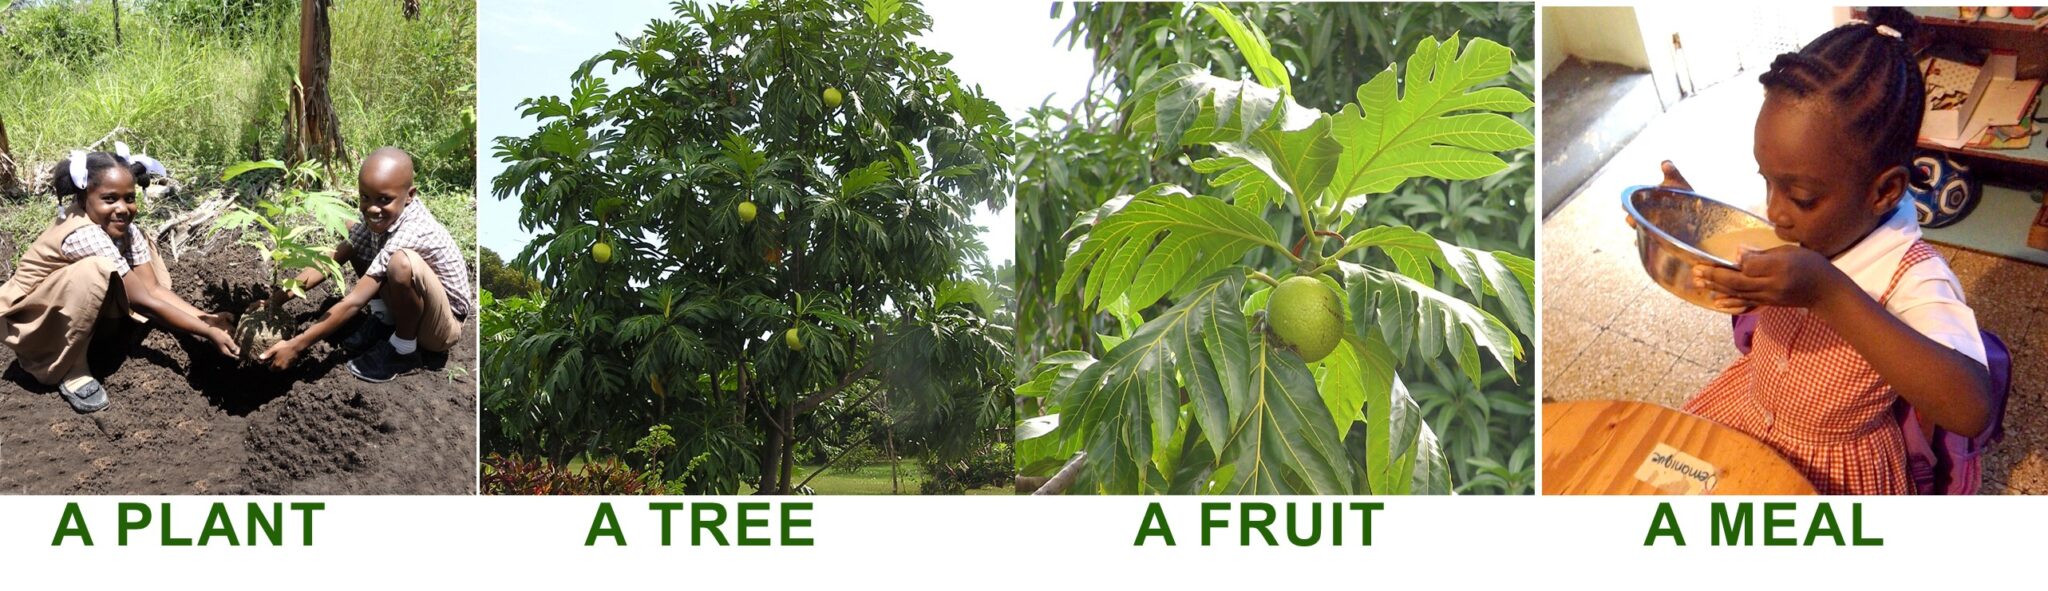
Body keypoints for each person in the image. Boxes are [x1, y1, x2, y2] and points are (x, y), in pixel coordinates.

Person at [1666, 8, 1995, 494]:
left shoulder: (1913, 276)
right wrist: (1688, 218)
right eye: (1766, 182)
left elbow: (1970, 408)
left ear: (1884, 191)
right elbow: (1738, 266)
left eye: (1799, 197)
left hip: (1834, 465)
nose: (1774, 211)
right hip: (1748, 409)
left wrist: (1828, 294)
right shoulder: (1801, 224)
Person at [0, 151, 239, 412]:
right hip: (30, 322)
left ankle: (93, 341)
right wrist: (205, 332)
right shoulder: (85, 234)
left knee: (130, 260)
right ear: (83, 197)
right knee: (97, 271)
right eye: (109, 199)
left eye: (130, 198)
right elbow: (143, 301)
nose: (122, 209)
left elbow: (152, 288)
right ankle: (71, 369)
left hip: (65, 311)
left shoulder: (126, 229)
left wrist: (207, 318)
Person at [256, 147, 472, 382]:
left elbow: (356, 300)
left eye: (384, 200)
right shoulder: (380, 215)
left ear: (410, 195)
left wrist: (297, 345)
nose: (372, 208)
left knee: (401, 264)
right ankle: (384, 319)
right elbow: (331, 260)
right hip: (417, 308)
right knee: (354, 234)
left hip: (441, 329)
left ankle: (403, 350)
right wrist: (275, 301)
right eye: (365, 197)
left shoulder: (414, 229)